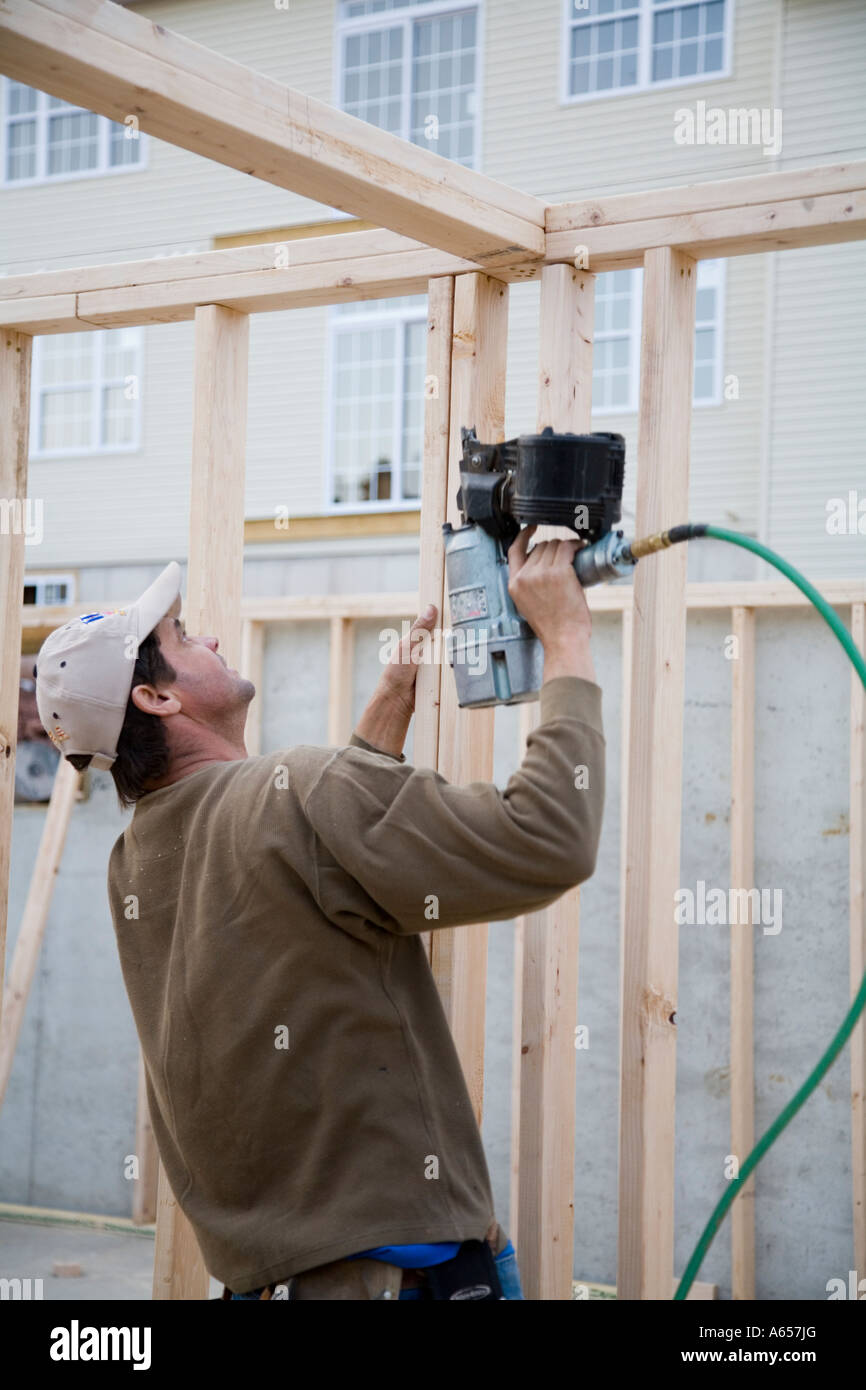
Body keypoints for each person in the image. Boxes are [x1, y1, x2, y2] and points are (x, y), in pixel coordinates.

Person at [33, 525, 605, 1300]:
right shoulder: (301, 791)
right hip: (401, 1279)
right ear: (157, 695)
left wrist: (380, 727)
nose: (206, 636)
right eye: (180, 636)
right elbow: (549, 839)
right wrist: (567, 638)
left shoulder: (133, 863)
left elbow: (296, 899)